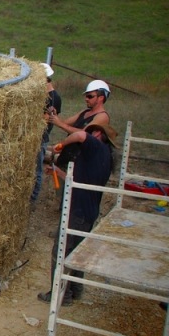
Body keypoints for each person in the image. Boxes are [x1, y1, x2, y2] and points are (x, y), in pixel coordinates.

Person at [37, 121, 117, 306]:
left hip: (78, 209)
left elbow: (81, 136)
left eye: (91, 132)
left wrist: (60, 146)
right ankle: (76, 290)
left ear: (98, 134)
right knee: (78, 251)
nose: (85, 134)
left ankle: (60, 296)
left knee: (61, 250)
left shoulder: (96, 147)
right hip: (89, 210)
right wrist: (58, 171)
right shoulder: (103, 157)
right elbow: (80, 181)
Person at [49, 79, 111, 176]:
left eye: (90, 96)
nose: (86, 99)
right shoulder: (85, 112)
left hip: (81, 162)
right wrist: (55, 116)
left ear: (101, 98)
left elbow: (83, 133)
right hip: (68, 157)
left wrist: (61, 142)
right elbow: (64, 123)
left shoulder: (102, 116)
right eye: (86, 96)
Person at [31, 63, 63, 201]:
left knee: (37, 171)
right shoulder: (44, 96)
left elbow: (45, 120)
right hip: (35, 137)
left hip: (41, 138)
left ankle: (33, 198)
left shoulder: (53, 98)